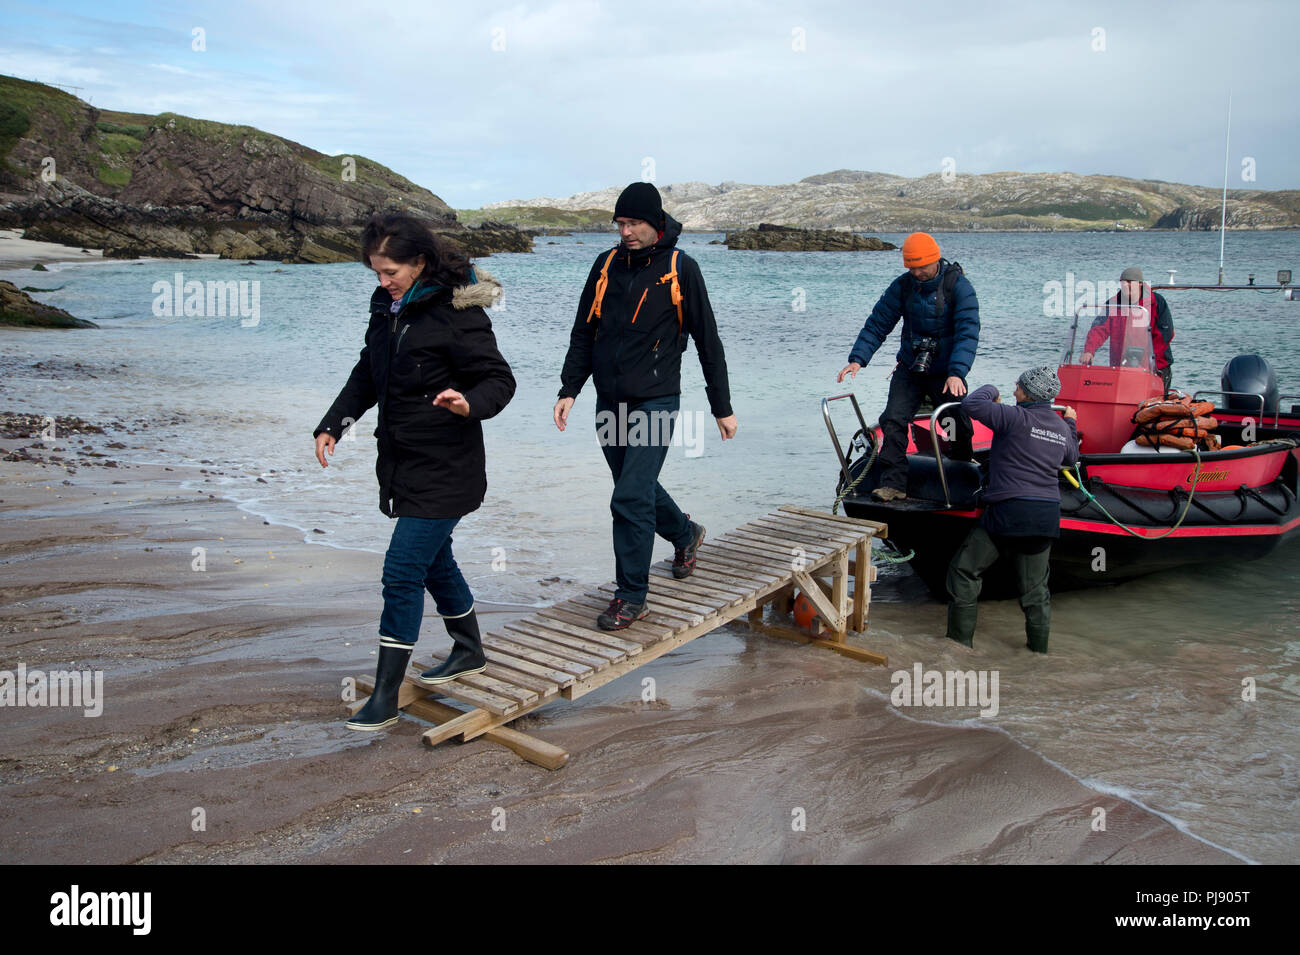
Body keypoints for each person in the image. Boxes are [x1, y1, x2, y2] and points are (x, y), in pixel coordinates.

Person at [313, 214, 516, 731]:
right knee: (432, 561)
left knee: (402, 570)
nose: (383, 282)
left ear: (420, 262)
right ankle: (469, 649)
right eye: (376, 273)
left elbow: (498, 379)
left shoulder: (456, 311)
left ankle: (384, 696)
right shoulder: (387, 309)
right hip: (401, 462)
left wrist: (468, 403)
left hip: (449, 465)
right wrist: (334, 423)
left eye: (391, 271)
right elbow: (367, 373)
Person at [554, 182, 737, 631]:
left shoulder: (680, 268)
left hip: (655, 398)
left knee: (630, 496)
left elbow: (708, 342)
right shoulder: (606, 265)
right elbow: (584, 330)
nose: (626, 231)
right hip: (608, 399)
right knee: (634, 488)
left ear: (656, 223)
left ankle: (632, 597)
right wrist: (569, 388)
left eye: (633, 223)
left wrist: (722, 406)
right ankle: (684, 533)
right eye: (620, 223)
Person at [837, 232, 980, 502]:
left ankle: (963, 470)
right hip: (911, 366)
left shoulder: (959, 287)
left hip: (947, 371)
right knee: (892, 419)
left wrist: (957, 372)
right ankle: (893, 484)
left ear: (935, 259)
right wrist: (858, 359)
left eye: (921, 267)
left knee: (956, 421)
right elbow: (878, 323)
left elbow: (968, 332)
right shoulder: (903, 286)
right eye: (911, 267)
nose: (916, 273)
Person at [945, 367, 1079, 653]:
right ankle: (1039, 655)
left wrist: (992, 388)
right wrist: (1070, 423)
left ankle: (959, 647)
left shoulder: (1013, 417)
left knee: (964, 572)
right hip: (1046, 517)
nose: (1015, 387)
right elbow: (1071, 456)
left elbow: (971, 404)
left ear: (1028, 393)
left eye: (1019, 385)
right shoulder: (1059, 428)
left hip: (1009, 512)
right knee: (1035, 592)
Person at [1081, 266, 1174, 393]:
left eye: (1130, 282)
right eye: (1124, 282)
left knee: (1152, 406)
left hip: (1156, 367)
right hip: (1122, 366)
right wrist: (1089, 351)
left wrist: (1149, 360)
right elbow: (1099, 329)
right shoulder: (1113, 304)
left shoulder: (1157, 302)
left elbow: (1165, 334)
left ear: (1140, 284)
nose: (1127, 286)